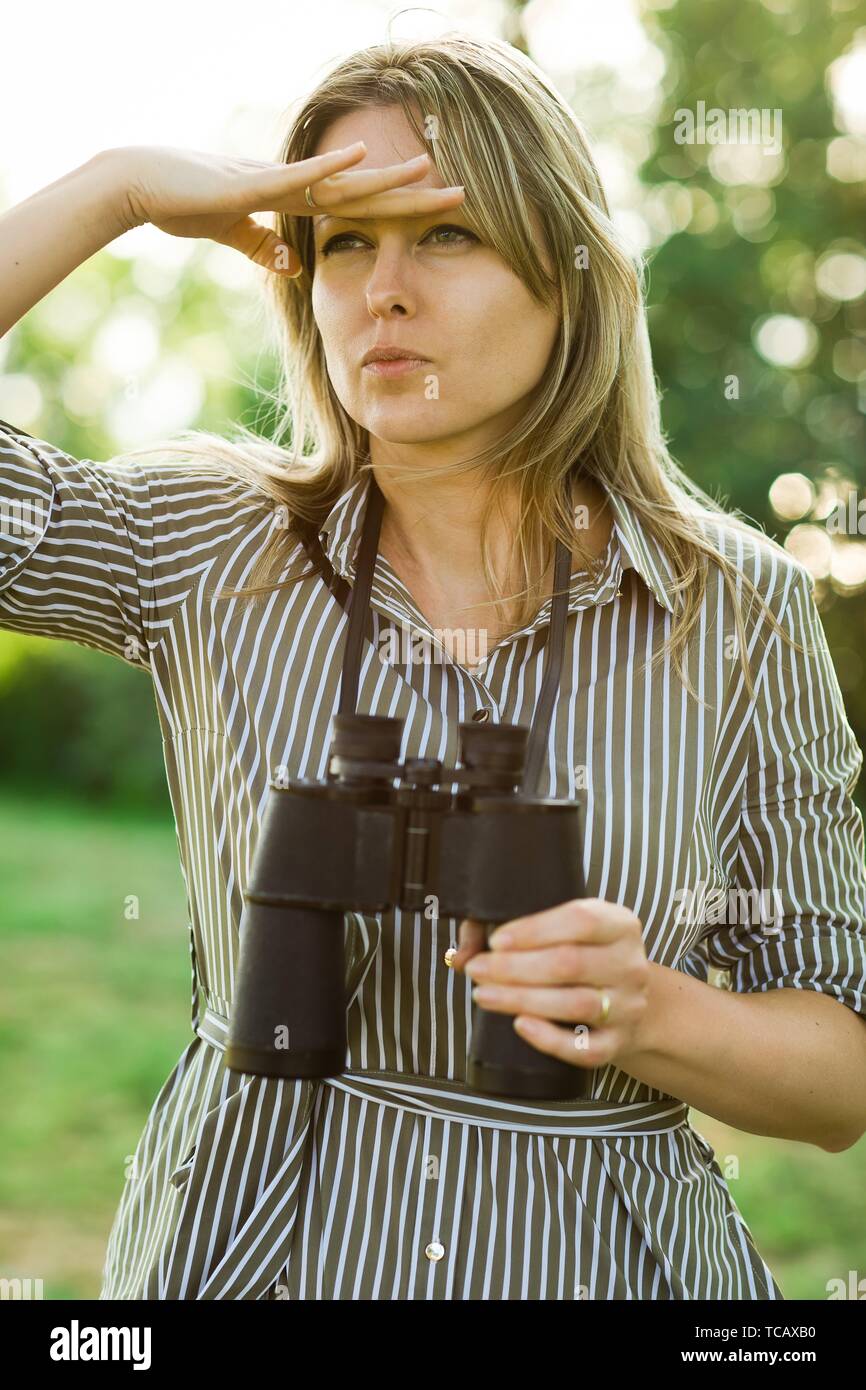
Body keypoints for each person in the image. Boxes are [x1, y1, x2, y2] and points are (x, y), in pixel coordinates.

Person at [1, 32, 865, 1303]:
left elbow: (838, 1078)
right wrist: (115, 188)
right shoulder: (209, 549)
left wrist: (640, 1009)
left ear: (567, 277)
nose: (380, 292)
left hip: (594, 1266)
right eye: (343, 239)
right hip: (252, 1260)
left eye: (443, 234)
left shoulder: (735, 610)